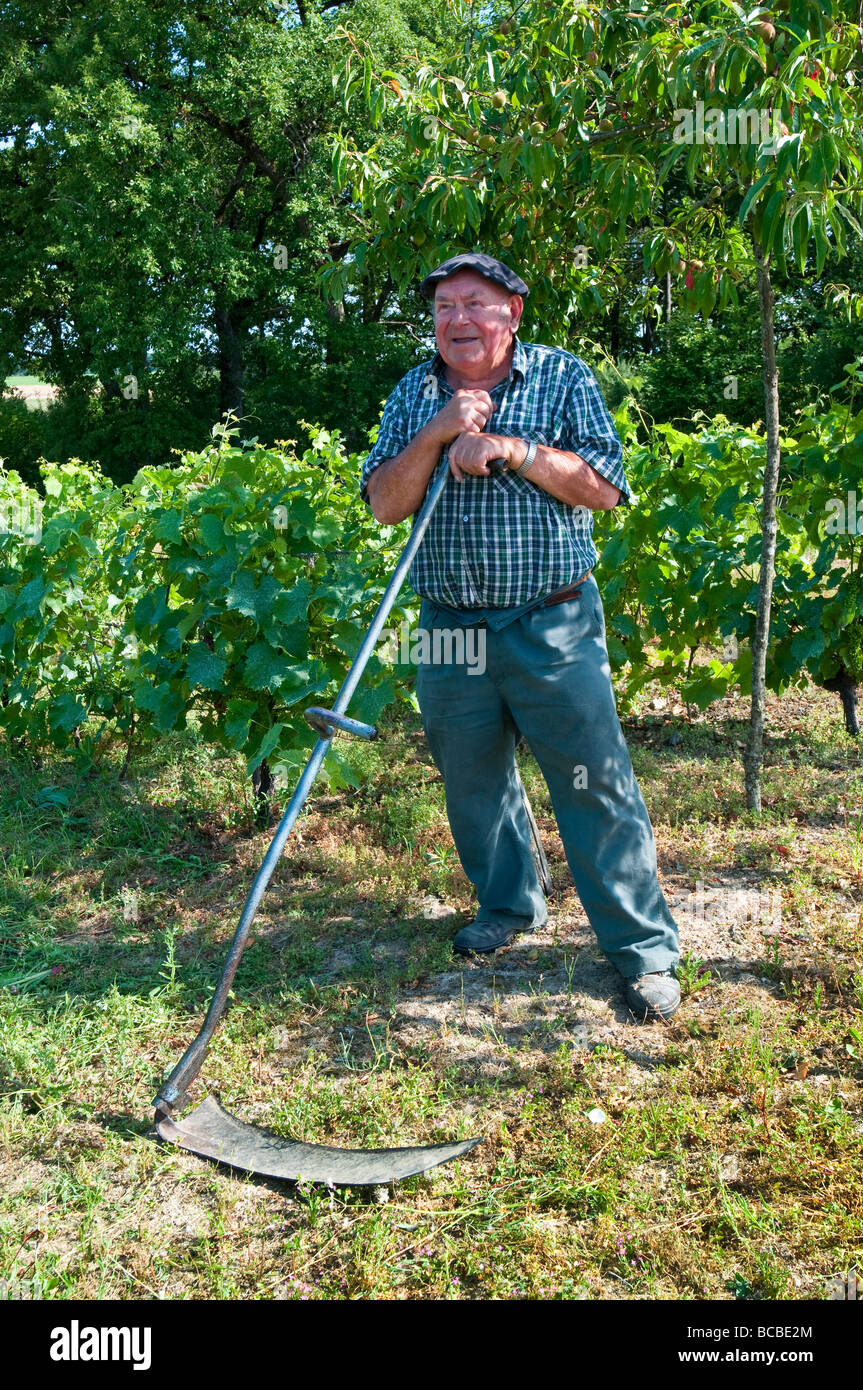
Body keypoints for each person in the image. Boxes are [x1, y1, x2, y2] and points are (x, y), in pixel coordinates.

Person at [360, 252, 680, 1021]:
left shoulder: (561, 379)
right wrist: (438, 433)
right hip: (447, 625)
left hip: (551, 617)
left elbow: (604, 488)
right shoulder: (415, 392)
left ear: (513, 313)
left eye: (475, 303)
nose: (457, 320)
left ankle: (642, 951)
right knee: (471, 780)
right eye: (442, 307)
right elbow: (382, 503)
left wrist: (517, 451)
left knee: (593, 782)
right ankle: (509, 905)